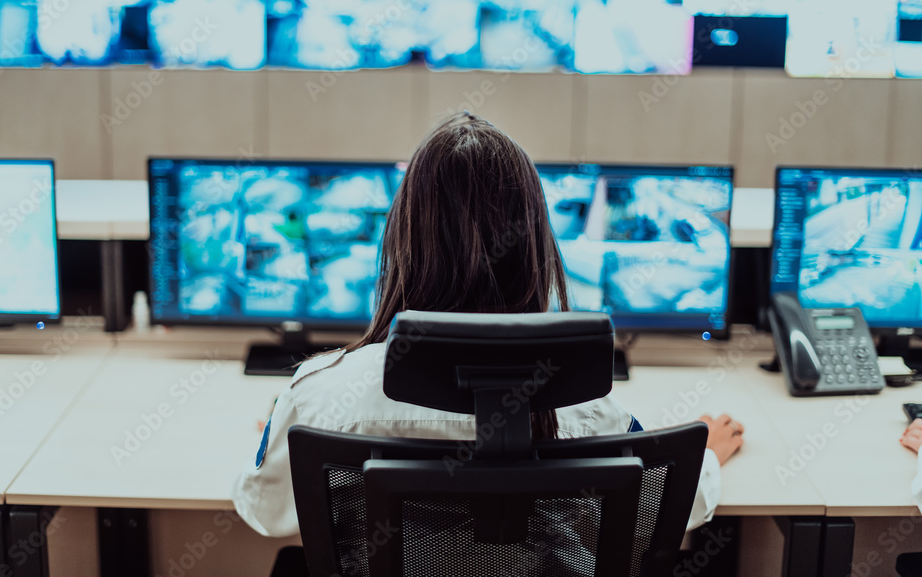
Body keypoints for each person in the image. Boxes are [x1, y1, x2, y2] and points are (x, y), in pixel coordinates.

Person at [233, 112, 744, 539]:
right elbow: (671, 505)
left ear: (403, 240)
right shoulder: (586, 402)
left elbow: (266, 510)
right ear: (534, 246)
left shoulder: (323, 397)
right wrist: (706, 458)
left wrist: (287, 435)